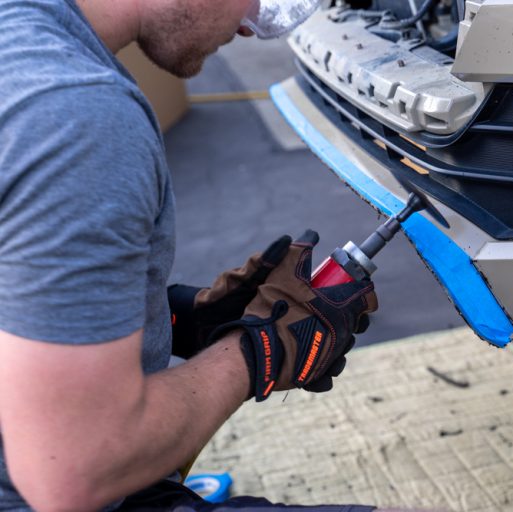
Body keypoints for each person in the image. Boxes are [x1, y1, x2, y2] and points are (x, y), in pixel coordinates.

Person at [0, 0, 383, 510]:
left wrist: (177, 318)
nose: (253, 25)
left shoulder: (21, 44)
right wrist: (257, 353)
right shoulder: (79, 116)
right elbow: (76, 471)